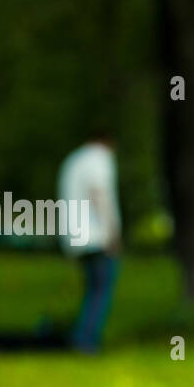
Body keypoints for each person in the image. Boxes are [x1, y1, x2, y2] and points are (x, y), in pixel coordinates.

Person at [57, 131, 122, 353]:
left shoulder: (75, 159)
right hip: (96, 236)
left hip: (75, 236)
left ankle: (82, 336)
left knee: (92, 288)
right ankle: (85, 340)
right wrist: (111, 231)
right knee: (101, 288)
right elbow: (99, 194)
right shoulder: (99, 158)